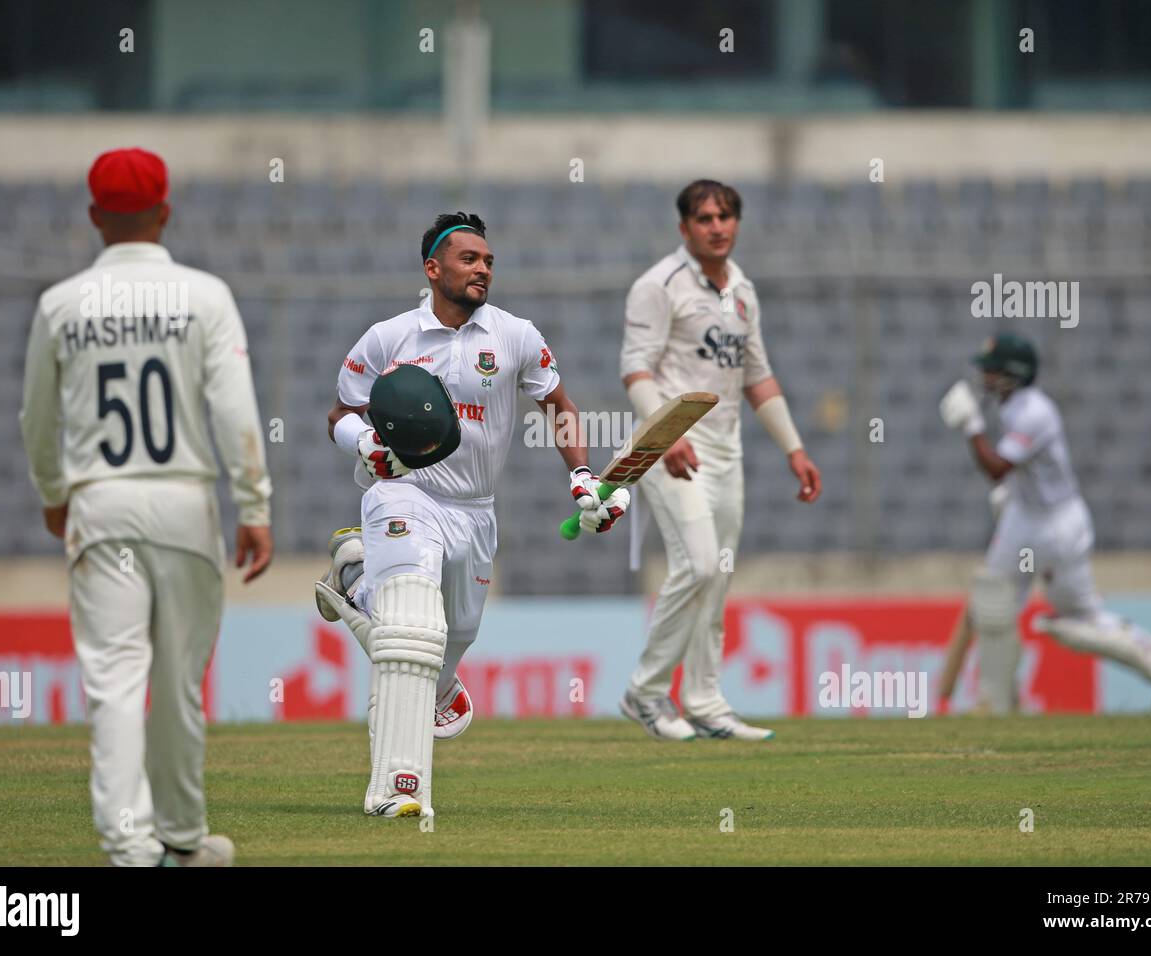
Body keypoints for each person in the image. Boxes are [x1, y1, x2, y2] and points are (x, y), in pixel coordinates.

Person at [314, 211, 626, 819]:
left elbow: (561, 406)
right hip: (405, 493)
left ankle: (356, 584)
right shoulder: (388, 337)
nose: (482, 268)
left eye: (488, 260)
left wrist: (582, 477)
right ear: (433, 268)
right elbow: (340, 414)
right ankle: (398, 791)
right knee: (412, 635)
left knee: (446, 643)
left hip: (475, 513)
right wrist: (365, 445)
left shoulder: (515, 335)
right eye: (468, 259)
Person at [20, 147, 274, 866]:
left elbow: (36, 421)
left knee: (115, 683)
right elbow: (236, 412)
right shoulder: (206, 296)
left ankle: (132, 846)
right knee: (179, 685)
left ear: (95, 217)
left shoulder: (59, 304)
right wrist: (255, 505)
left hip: (102, 503)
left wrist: (54, 494)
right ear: (166, 212)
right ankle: (184, 838)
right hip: (185, 502)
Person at [618, 180, 822, 742]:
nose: (717, 226)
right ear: (684, 227)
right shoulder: (658, 285)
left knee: (718, 576)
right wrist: (666, 431)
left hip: (725, 449)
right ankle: (645, 691)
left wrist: (794, 449)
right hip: (669, 446)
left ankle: (705, 699)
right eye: (705, 217)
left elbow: (756, 375)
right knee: (700, 565)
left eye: (726, 216)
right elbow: (635, 370)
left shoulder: (743, 291)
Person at [940, 332, 1151, 712]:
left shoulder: (1034, 412)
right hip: (1025, 517)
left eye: (991, 371)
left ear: (1012, 374)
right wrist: (1015, 494)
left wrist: (971, 425)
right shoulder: (1013, 408)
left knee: (1076, 621)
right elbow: (1019, 471)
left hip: (1057, 526)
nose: (984, 378)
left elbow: (995, 468)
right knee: (993, 603)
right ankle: (996, 701)